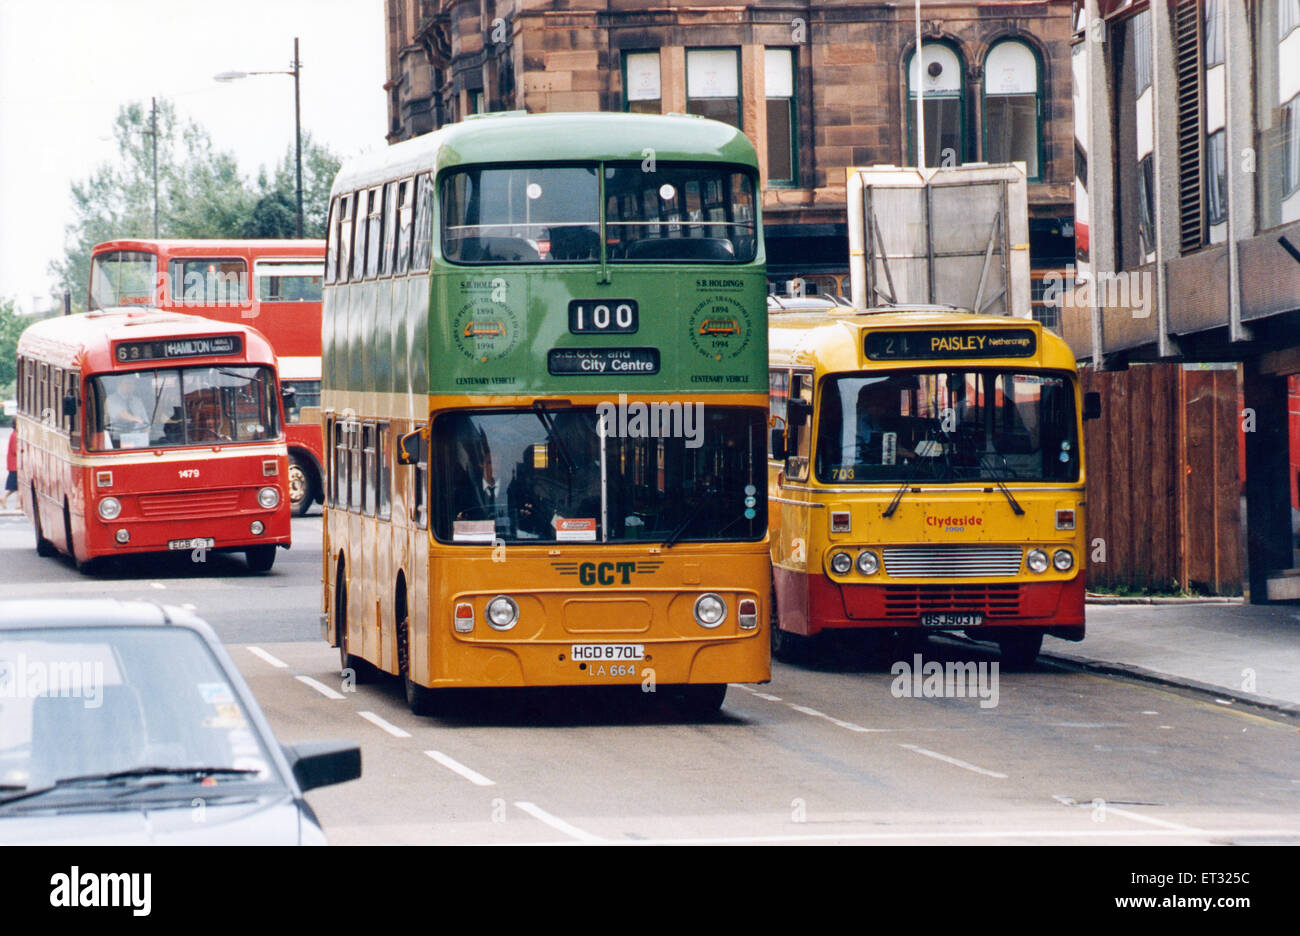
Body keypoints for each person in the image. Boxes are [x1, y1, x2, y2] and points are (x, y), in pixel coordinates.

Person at [2, 429, 17, 509]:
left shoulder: (14, 434)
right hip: (15, 465)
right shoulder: (15, 435)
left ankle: (19, 503)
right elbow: (15, 450)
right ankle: (4, 498)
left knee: (17, 486)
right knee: (15, 486)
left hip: (14, 464)